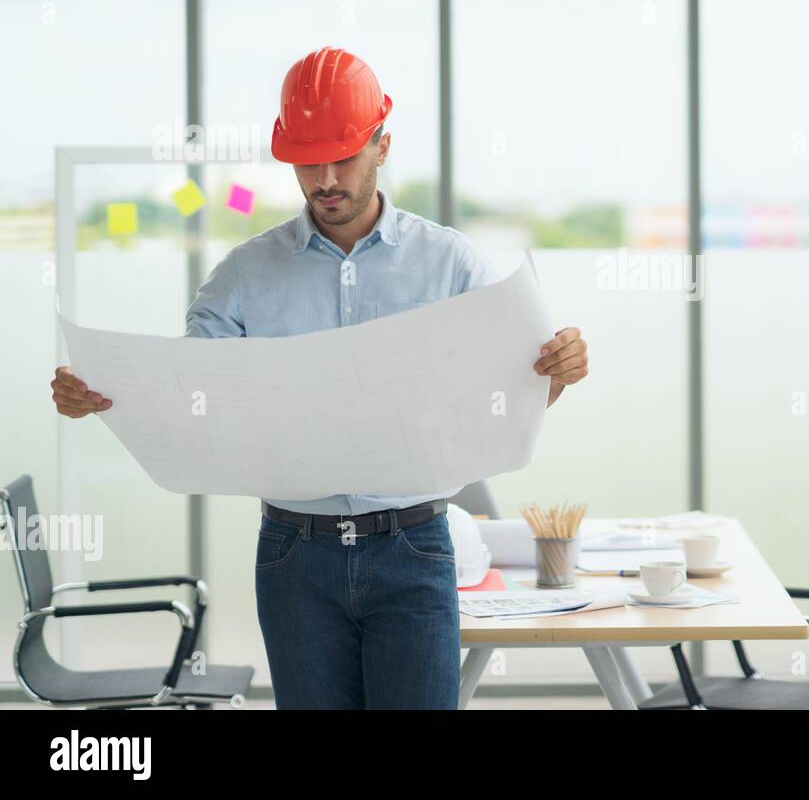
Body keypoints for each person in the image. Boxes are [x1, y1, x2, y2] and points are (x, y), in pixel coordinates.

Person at [49, 46, 589, 709]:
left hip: (414, 549)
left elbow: (510, 394)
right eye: (308, 161)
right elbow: (189, 391)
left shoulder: (450, 263)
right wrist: (101, 397)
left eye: (344, 157)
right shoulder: (245, 275)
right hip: (294, 559)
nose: (325, 178)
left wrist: (556, 372)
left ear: (382, 145)